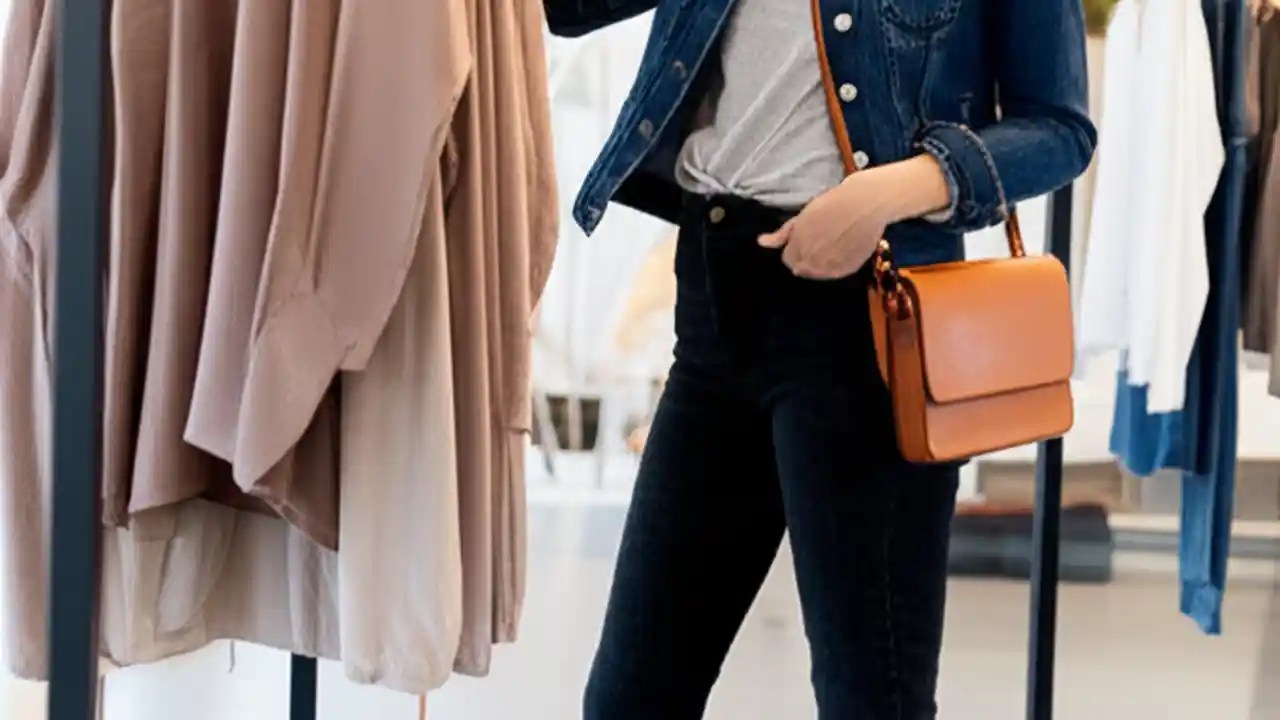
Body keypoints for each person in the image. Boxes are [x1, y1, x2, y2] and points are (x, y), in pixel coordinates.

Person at [544, 0, 1096, 716]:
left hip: (868, 323)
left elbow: (1059, 128)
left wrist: (890, 191)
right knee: (631, 698)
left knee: (869, 698)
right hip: (714, 297)